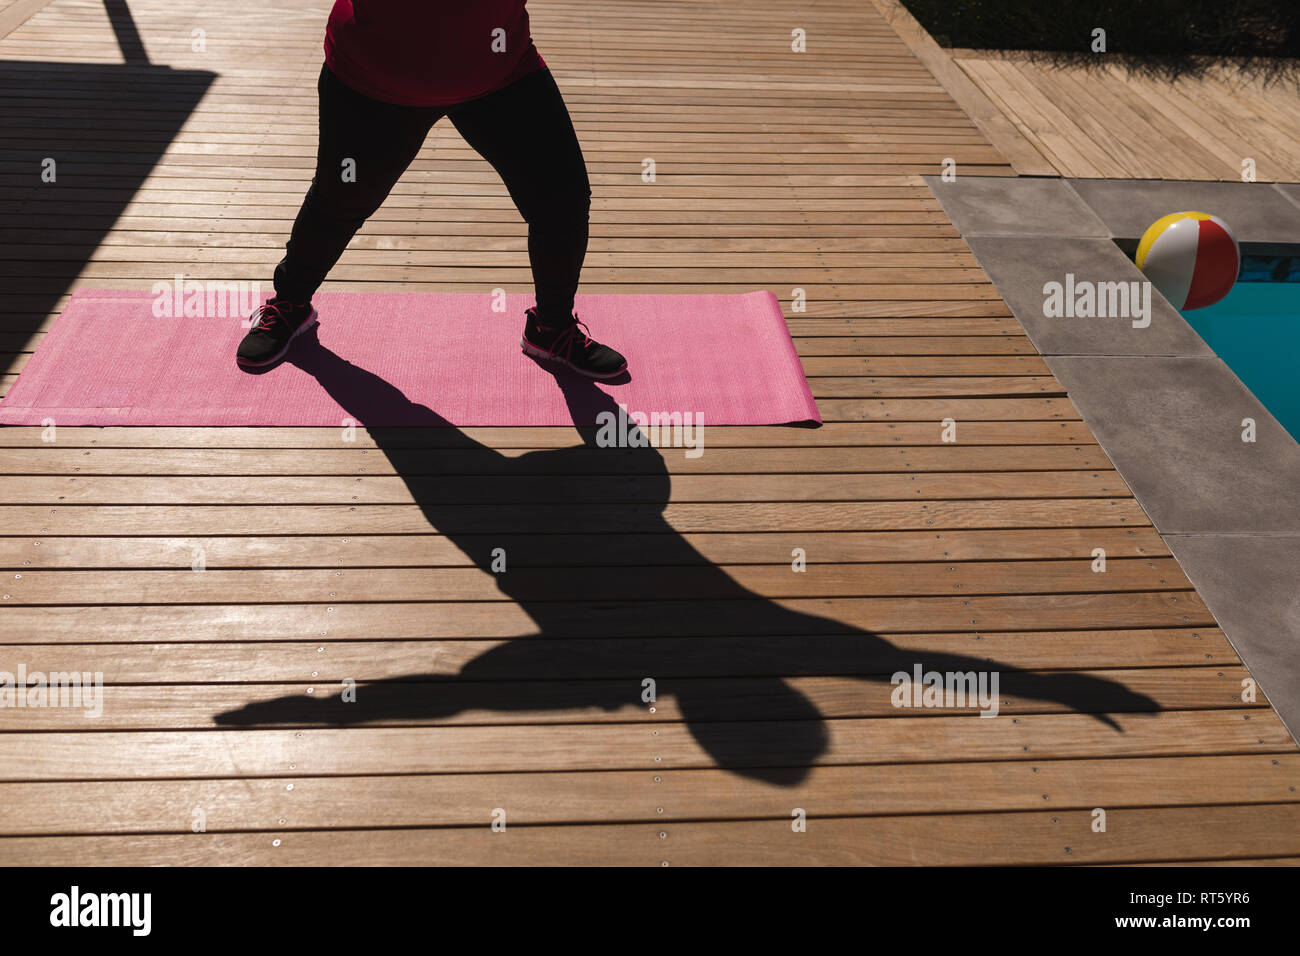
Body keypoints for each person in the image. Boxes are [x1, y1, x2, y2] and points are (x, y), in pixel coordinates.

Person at [236, 0, 626, 379]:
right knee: (340, 199)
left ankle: (551, 328)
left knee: (563, 198)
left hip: (498, 69)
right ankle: (289, 302)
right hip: (373, 77)